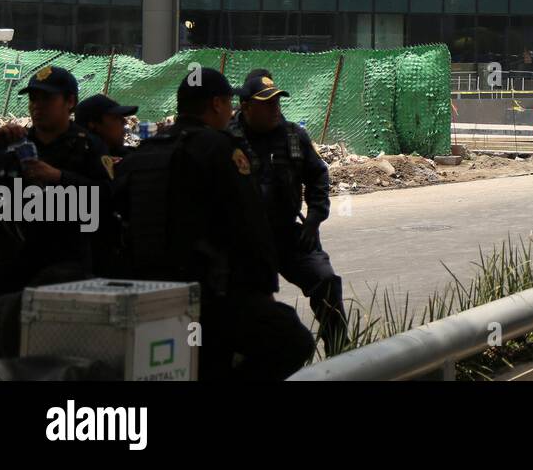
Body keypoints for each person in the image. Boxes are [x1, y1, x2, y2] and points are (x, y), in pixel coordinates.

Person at [111, 67, 313, 381]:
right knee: (293, 341)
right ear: (217, 104)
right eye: (229, 103)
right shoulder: (221, 150)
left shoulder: (146, 152)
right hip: (211, 298)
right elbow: (250, 226)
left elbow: (118, 218)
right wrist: (262, 289)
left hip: (150, 298)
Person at [228, 70, 348, 357]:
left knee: (326, 281)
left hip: (287, 233)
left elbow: (318, 176)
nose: (275, 109)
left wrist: (315, 219)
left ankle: (341, 357)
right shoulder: (227, 140)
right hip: (244, 242)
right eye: (267, 104)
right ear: (246, 107)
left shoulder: (294, 136)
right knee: (248, 308)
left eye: (277, 103)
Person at [0, 67, 112, 356]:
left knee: (62, 357)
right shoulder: (16, 146)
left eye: (46, 99)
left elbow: (108, 200)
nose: (37, 106)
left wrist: (60, 178)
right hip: (16, 274)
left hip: (68, 274)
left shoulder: (89, 147)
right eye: (33, 99)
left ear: (70, 102)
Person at [75, 93, 139, 161]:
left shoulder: (130, 156)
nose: (124, 121)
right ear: (93, 124)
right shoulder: (74, 164)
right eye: (116, 117)